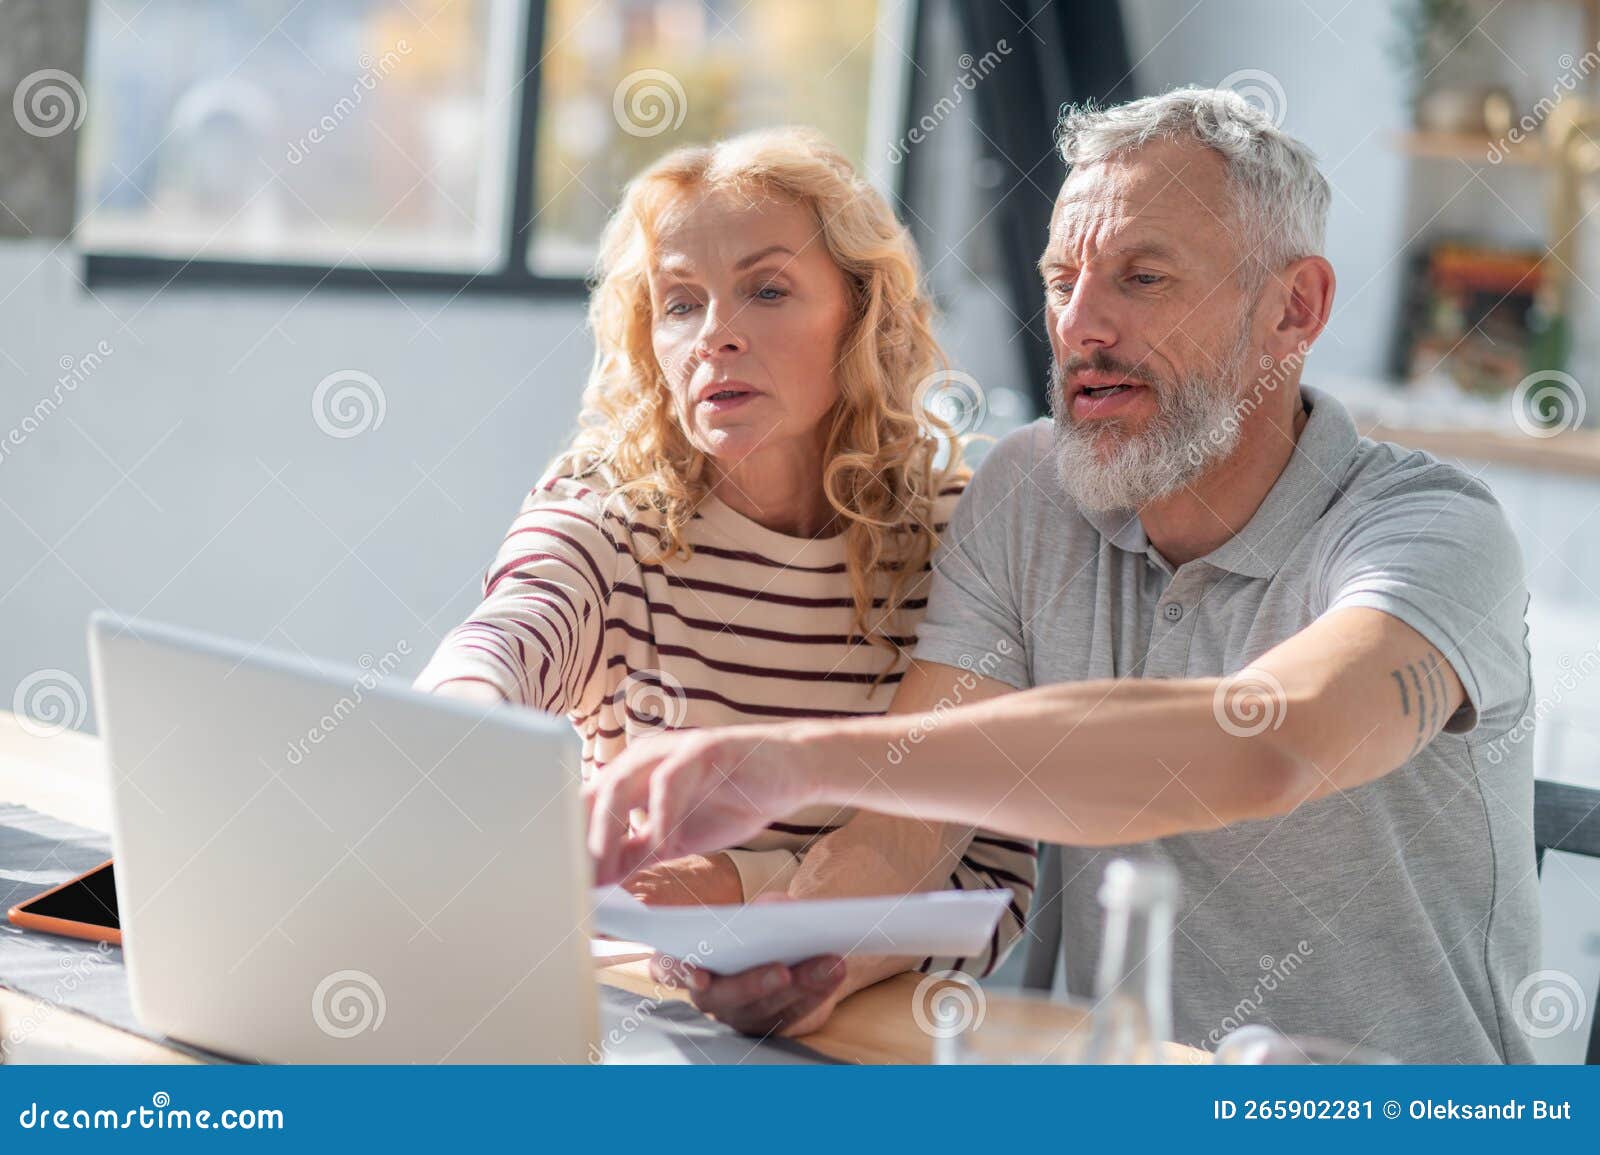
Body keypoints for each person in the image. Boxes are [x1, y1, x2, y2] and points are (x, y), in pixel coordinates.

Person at [585, 89, 1542, 1063]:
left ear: (1292, 309)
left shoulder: (1431, 533)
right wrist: (805, 955)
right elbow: (910, 830)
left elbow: (1273, 742)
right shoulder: (1030, 493)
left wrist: (796, 758)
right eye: (1059, 279)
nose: (1080, 324)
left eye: (1143, 278)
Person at [415, 126, 1034, 988]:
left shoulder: (961, 535)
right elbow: (509, 631)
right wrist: (460, 713)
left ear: (862, 312)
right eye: (680, 301)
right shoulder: (604, 506)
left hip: (860, 1033)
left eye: (767, 290)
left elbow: (990, 878)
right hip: (628, 1011)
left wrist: (739, 892)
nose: (715, 335)